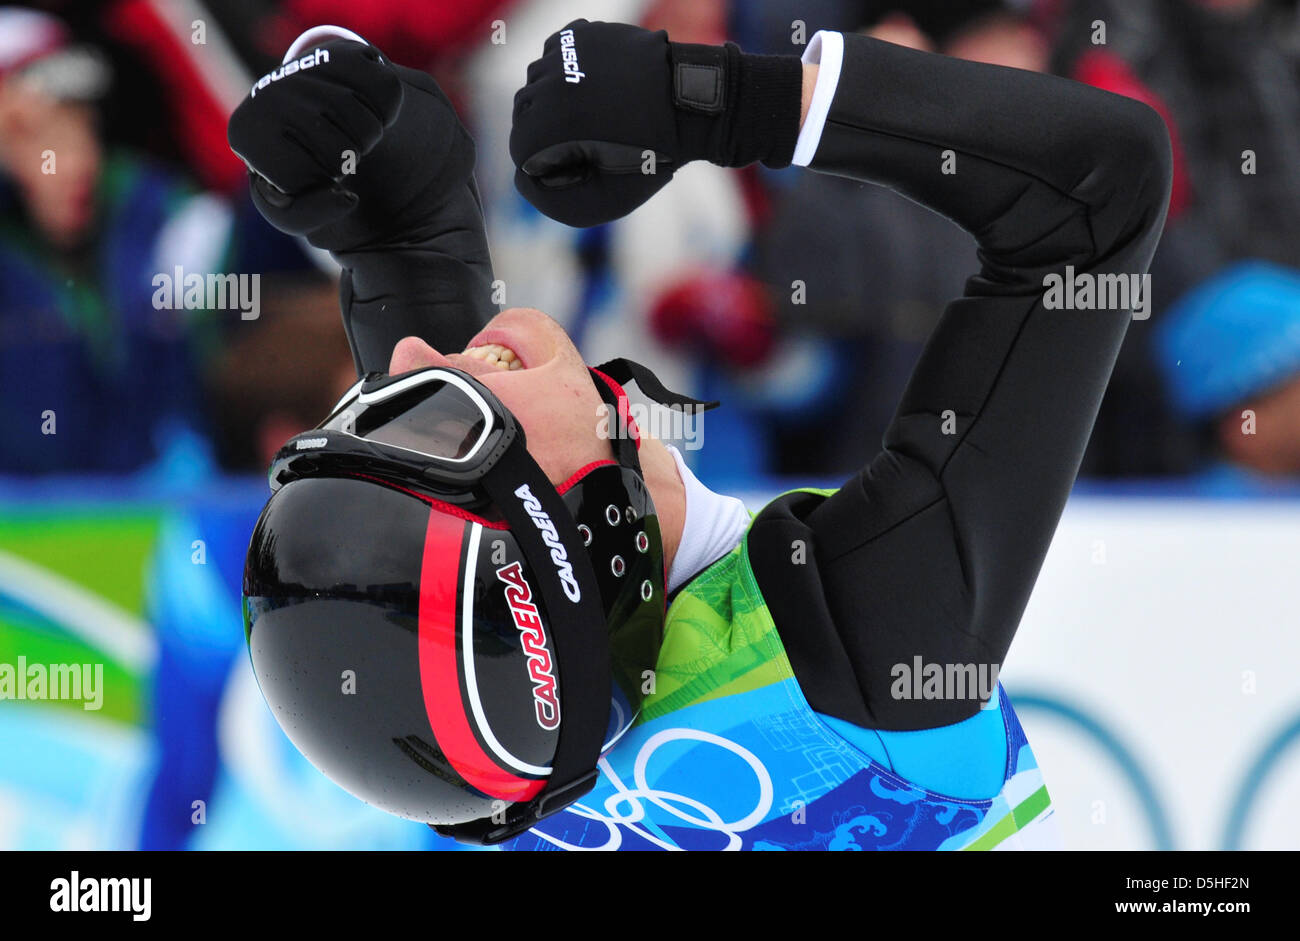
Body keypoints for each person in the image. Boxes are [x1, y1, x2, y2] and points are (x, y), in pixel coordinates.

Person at [231, 17, 1171, 850]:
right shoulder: (846, 666)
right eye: (449, 413)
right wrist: (725, 103)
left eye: (371, 404)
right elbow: (1099, 198)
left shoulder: (502, 747)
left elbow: (452, 519)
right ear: (604, 526)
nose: (407, 357)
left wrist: (382, 195)